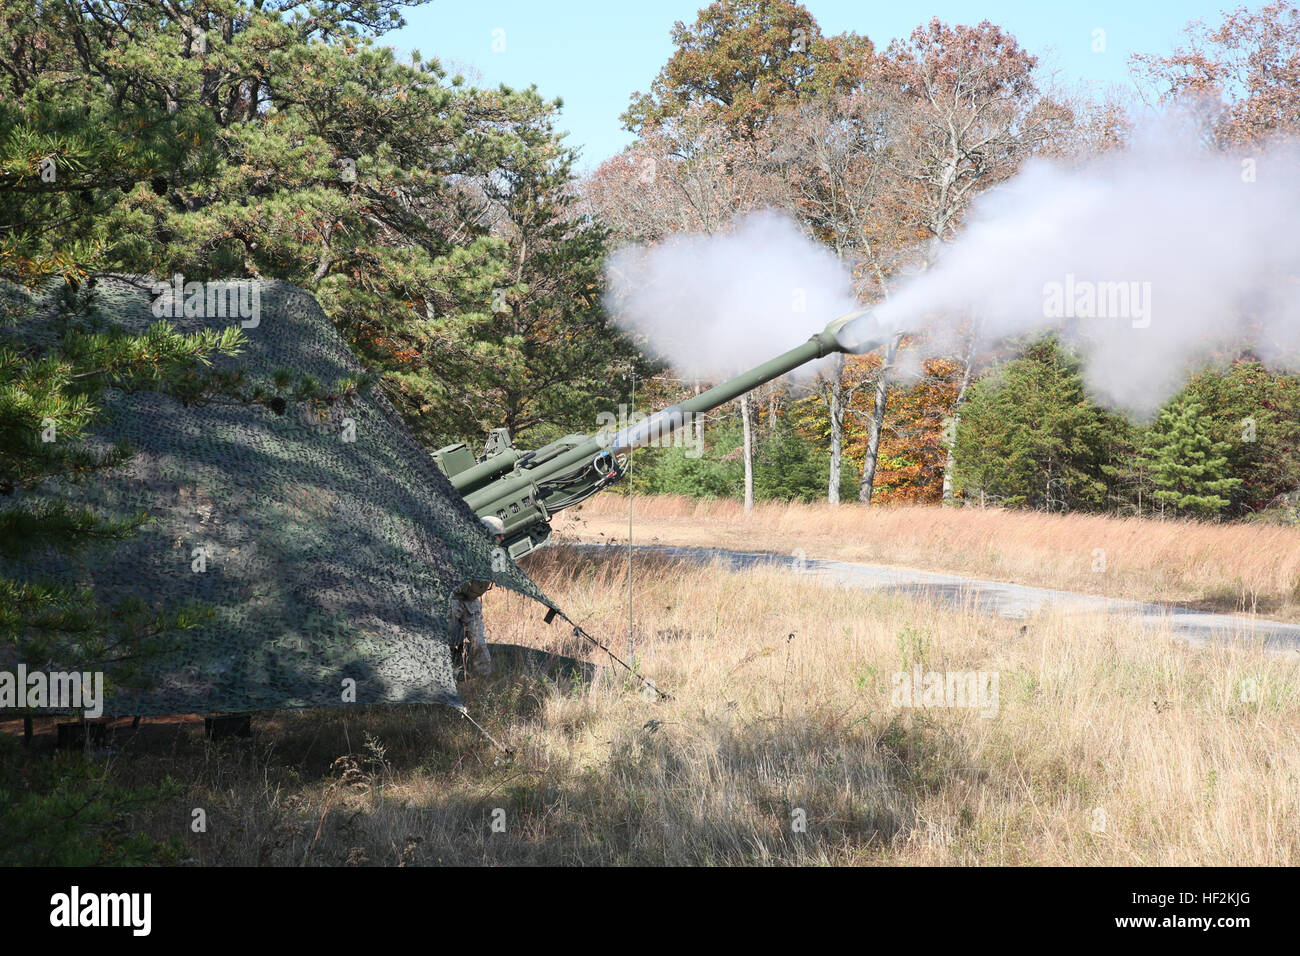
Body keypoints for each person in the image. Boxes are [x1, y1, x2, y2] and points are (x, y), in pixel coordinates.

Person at [450, 515, 506, 678]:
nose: (501, 539)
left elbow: (501, 575)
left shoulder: (496, 553)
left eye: (502, 535)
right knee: (446, 642)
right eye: (497, 535)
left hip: (471, 603)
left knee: (479, 643)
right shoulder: (462, 547)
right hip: (453, 601)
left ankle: (483, 680)